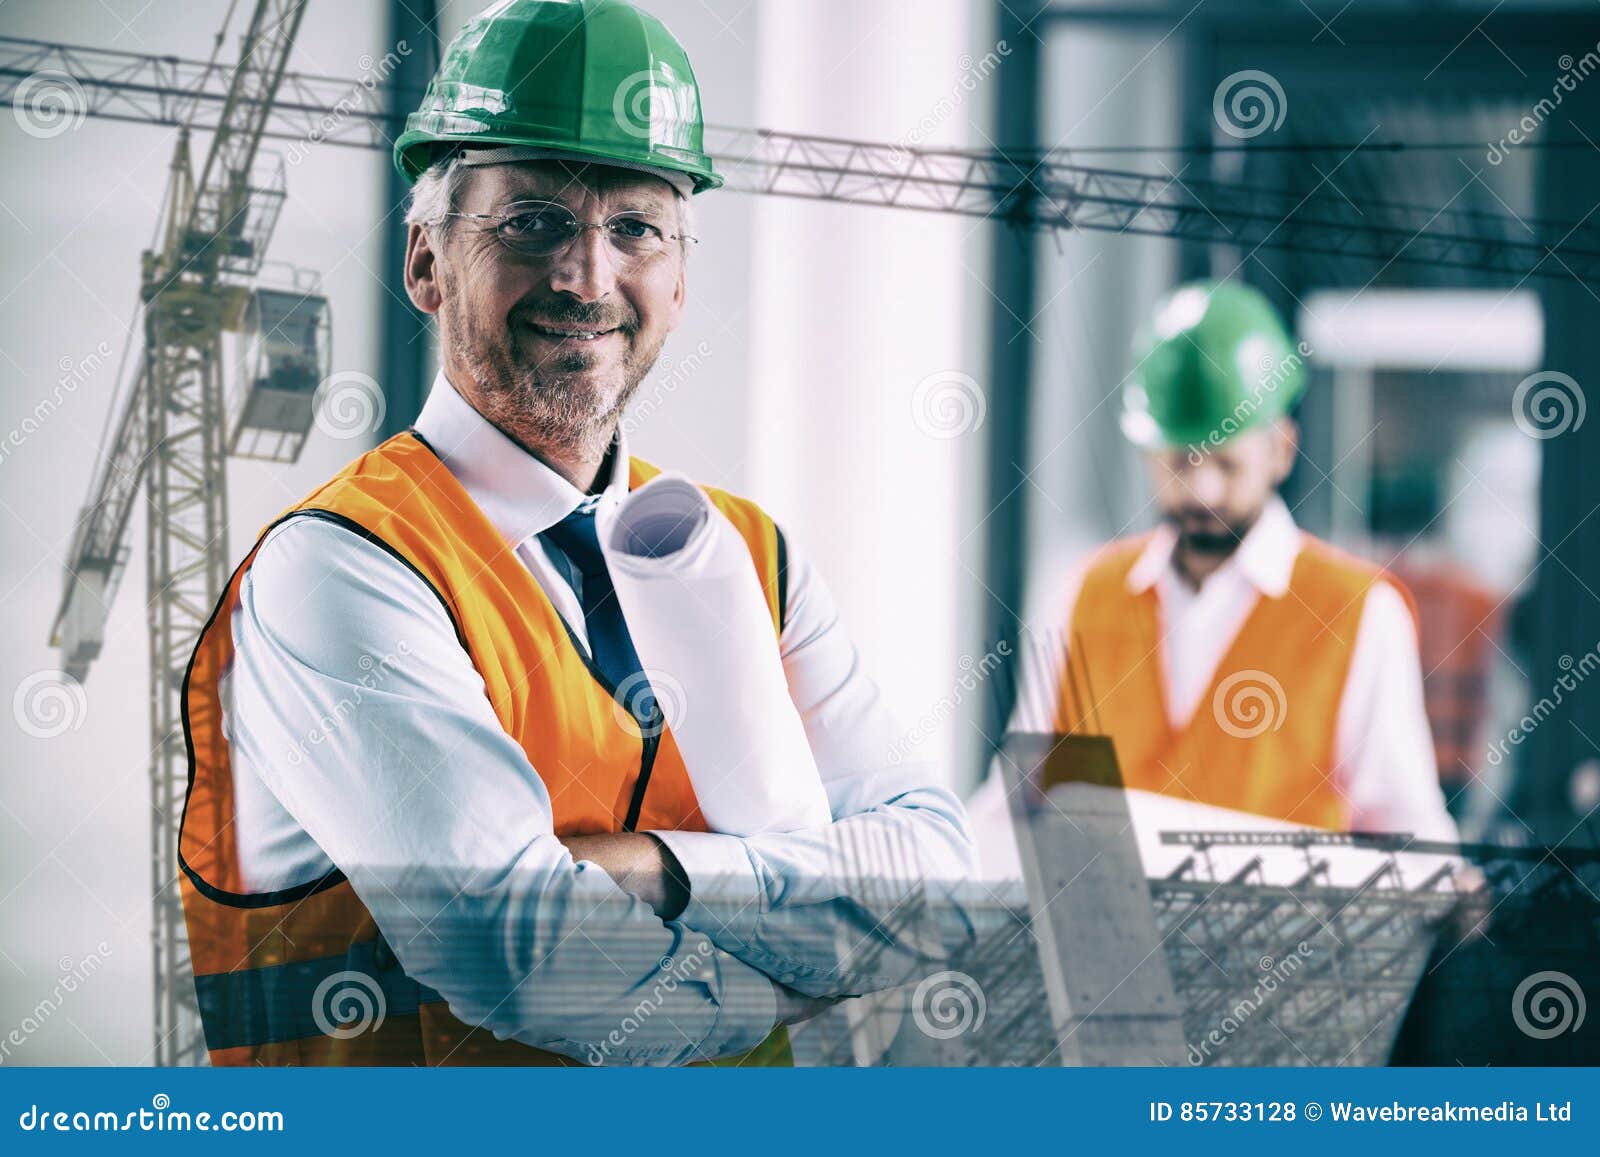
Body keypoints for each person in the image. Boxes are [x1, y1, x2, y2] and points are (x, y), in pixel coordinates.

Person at [178, 0, 974, 1067]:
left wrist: (654, 869)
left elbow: (934, 883)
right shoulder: (343, 568)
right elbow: (521, 955)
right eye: (531, 221)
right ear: (424, 262)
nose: (586, 277)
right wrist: (792, 981)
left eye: (634, 227)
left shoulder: (750, 553)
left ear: (680, 279)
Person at [969, 279, 1458, 876]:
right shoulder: (1084, 593)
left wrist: (1447, 883)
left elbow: (1408, 836)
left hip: (1285, 963)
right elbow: (1019, 799)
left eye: (1226, 463)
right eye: (1179, 462)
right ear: (1147, 452)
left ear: (1281, 449)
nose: (1201, 490)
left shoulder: (1358, 611)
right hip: (1103, 959)